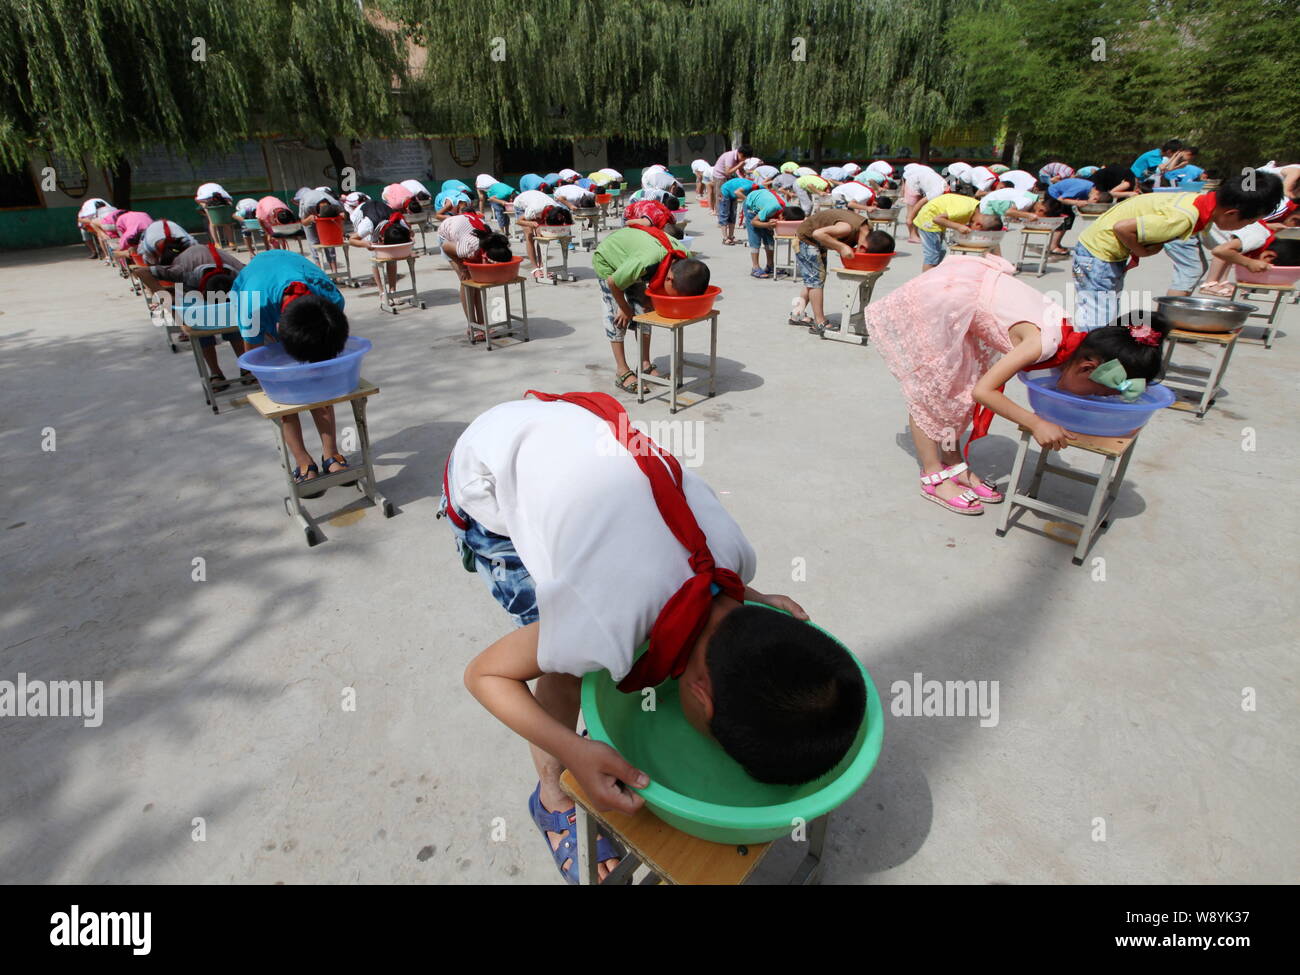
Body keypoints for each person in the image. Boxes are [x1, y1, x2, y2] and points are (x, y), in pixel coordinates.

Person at [444, 391, 865, 882]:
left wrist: (761, 597)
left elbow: (697, 572)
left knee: (582, 639)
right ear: (700, 697)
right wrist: (575, 754)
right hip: (488, 474)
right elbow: (485, 674)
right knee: (564, 667)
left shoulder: (736, 559)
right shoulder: (601, 618)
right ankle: (550, 800)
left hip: (564, 437)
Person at [865, 253, 1172, 515]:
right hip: (945, 298)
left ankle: (952, 458)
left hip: (972, 295)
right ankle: (932, 472)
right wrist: (1036, 422)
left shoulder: (1073, 340)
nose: (1095, 397)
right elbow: (983, 392)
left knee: (958, 388)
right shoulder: (1042, 343)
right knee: (934, 390)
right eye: (1097, 392)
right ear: (1087, 367)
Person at [1072, 172, 1283, 329]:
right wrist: (1143, 251)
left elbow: (1219, 249)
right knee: (1097, 313)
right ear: (1232, 213)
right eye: (1249, 221)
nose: (1245, 227)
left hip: (1103, 252)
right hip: (1098, 253)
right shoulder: (1184, 217)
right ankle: (1086, 363)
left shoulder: (1201, 203)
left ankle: (1089, 356)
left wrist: (1247, 262)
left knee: (1102, 307)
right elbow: (1122, 228)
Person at [229, 250, 349, 491]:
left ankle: (331, 454)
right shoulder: (253, 306)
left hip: (290, 282)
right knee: (283, 398)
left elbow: (333, 337)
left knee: (320, 390)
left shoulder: (330, 297)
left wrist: (319, 370)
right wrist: (271, 380)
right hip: (261, 288)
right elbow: (252, 355)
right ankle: (303, 461)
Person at [591, 226, 709, 392]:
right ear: (669, 279)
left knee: (645, 312)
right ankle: (621, 370)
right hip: (610, 260)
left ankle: (644, 364)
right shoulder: (645, 262)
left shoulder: (685, 259)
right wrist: (624, 308)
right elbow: (613, 282)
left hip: (632, 258)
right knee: (617, 317)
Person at [790, 208, 881, 335]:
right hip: (807, 239)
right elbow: (818, 234)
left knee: (814, 279)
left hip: (816, 241)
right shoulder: (847, 228)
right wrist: (842, 246)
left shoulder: (867, 229)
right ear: (865, 246)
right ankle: (820, 323)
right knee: (816, 281)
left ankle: (797, 314)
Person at [437, 212, 514, 339]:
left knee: (478, 282)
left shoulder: (498, 242)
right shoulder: (469, 248)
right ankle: (472, 326)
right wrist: (462, 267)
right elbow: (446, 247)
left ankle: (482, 323)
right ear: (486, 256)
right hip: (448, 238)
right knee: (468, 282)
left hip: (464, 228)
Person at [913, 192, 1003, 271]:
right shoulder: (963, 211)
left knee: (941, 251)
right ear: (978, 225)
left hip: (936, 220)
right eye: (980, 231)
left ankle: (934, 273)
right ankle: (926, 280)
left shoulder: (977, 208)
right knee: (932, 256)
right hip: (929, 220)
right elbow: (937, 219)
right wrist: (958, 226)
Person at [346, 198, 413, 293]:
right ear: (382, 238)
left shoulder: (399, 222)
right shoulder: (367, 225)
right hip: (361, 214)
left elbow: (411, 234)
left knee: (392, 259)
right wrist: (365, 244)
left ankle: (392, 290)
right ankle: (382, 292)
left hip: (381, 214)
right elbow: (351, 240)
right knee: (375, 258)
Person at [512, 189, 574, 280]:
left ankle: (542, 267)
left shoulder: (558, 209)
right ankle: (535, 269)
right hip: (522, 204)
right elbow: (519, 221)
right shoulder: (533, 210)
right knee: (529, 235)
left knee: (541, 236)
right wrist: (531, 224)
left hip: (538, 202)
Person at [1045, 174, 1111, 257]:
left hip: (1061, 197)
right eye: (1095, 200)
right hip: (1053, 195)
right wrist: (1077, 203)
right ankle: (1052, 247)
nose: (1092, 201)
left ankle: (1057, 243)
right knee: (1064, 219)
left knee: (1070, 219)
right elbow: (1061, 199)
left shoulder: (1090, 190)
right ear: (1096, 195)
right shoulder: (1082, 188)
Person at [741, 186, 789, 278]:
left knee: (769, 237)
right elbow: (754, 222)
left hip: (765, 204)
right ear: (783, 216)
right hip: (752, 204)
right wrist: (767, 225)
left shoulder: (788, 208)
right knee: (755, 236)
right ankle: (755, 267)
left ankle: (770, 266)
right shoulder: (772, 208)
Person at [901, 163, 948, 244]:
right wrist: (910, 218)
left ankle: (919, 233)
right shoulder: (938, 192)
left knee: (923, 212)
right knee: (912, 210)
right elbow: (920, 203)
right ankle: (912, 235)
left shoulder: (945, 190)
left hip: (922, 181)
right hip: (913, 183)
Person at [716, 175, 756, 246]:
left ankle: (731, 236)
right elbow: (737, 192)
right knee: (724, 214)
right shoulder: (750, 187)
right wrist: (748, 200)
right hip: (725, 191)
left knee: (733, 215)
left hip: (732, 192)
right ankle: (725, 238)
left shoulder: (755, 188)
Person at [710, 145, 752, 212]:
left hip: (728, 176)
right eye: (744, 158)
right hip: (720, 176)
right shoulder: (730, 156)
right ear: (740, 154)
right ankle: (721, 216)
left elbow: (740, 170)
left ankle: (729, 215)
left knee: (730, 195)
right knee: (722, 196)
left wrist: (745, 176)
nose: (744, 160)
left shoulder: (739, 158)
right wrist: (739, 165)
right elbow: (727, 172)